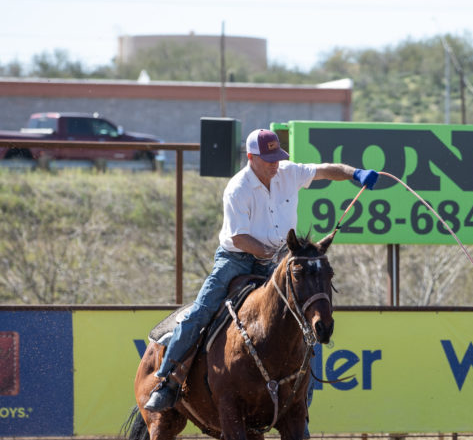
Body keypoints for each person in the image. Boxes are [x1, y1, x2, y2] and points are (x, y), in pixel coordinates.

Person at [144, 128, 378, 413]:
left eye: (277, 157)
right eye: (268, 158)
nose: (275, 163)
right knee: (201, 312)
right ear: (251, 157)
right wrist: (274, 254)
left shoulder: (288, 172)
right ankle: (166, 380)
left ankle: (301, 400)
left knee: (301, 321)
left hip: (276, 262)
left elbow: (327, 170)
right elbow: (239, 238)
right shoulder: (237, 188)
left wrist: (355, 174)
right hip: (235, 259)